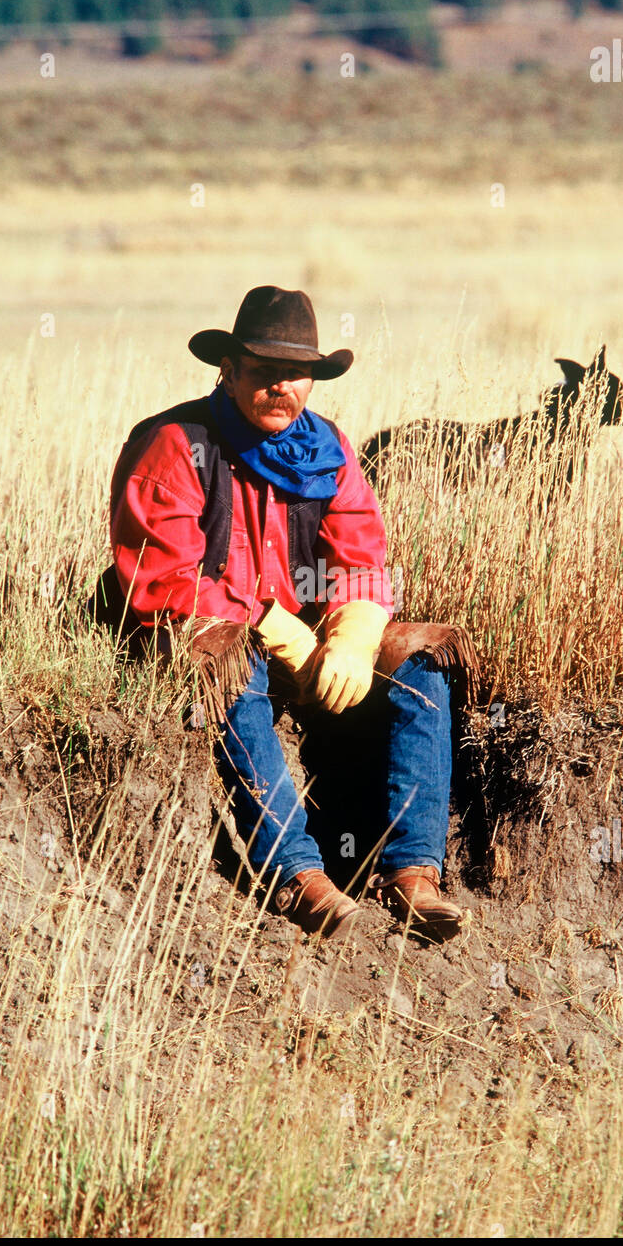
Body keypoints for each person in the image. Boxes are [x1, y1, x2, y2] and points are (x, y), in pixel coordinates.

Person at [101, 286, 477, 943]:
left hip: (310, 638)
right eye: (264, 372)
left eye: (294, 373)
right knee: (229, 660)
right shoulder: (176, 443)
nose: (281, 387)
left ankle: (414, 873)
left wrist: (353, 638)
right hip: (199, 637)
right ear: (230, 370)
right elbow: (163, 582)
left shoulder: (327, 448)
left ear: (313, 378)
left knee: (421, 664)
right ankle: (298, 875)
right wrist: (274, 628)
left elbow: (361, 558)